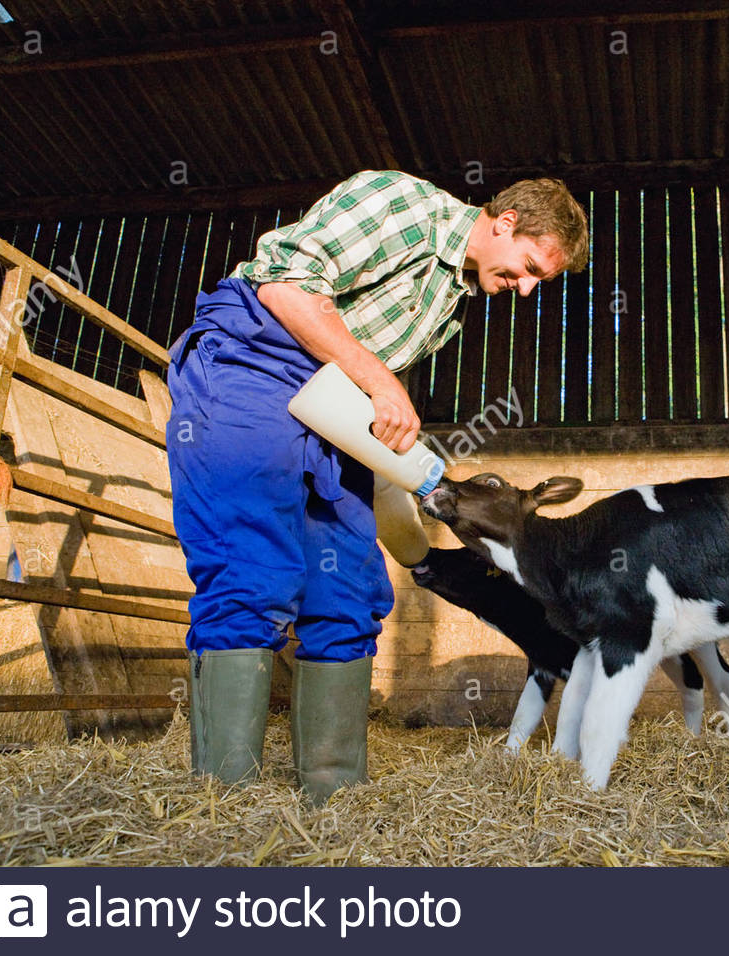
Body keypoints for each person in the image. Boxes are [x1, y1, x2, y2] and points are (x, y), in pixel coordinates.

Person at [166, 171, 588, 802]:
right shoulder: (403, 204)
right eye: (528, 266)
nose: (526, 290)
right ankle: (225, 806)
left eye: (539, 283)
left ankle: (334, 800)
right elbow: (285, 284)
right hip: (251, 369)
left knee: (347, 593)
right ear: (504, 222)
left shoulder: (450, 298)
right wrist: (382, 382)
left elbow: (362, 375)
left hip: (327, 405)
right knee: (252, 574)